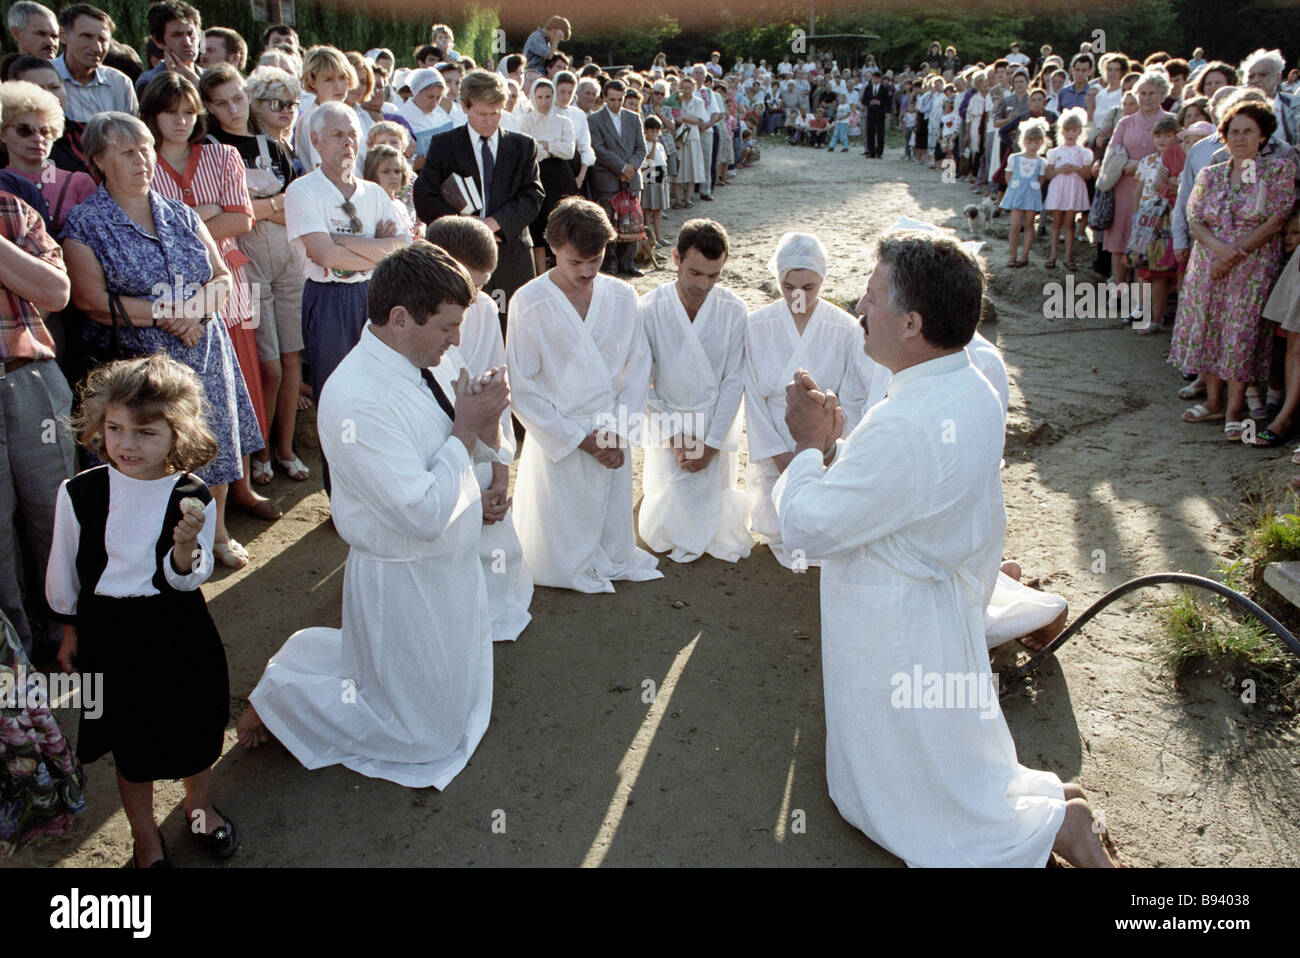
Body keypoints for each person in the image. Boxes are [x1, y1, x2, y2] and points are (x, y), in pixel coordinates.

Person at [774, 231, 1114, 867]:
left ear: (911, 322)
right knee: (947, 749)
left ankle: (1049, 828)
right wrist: (842, 451)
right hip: (936, 607)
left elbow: (807, 528)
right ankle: (1040, 807)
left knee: (922, 797)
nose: (858, 309)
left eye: (871, 298)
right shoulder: (970, 380)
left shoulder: (908, 420)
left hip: (895, 622)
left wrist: (809, 446)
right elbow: (915, 495)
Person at [237, 241, 508, 788]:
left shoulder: (431, 355)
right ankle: (282, 701)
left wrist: (488, 449)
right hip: (402, 576)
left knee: (452, 698)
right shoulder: (357, 399)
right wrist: (466, 428)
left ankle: (317, 672)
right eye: (448, 327)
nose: (458, 340)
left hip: (448, 567)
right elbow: (422, 513)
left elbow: (459, 448)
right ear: (399, 318)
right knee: (423, 735)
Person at [48, 353, 236, 868]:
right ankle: (144, 837)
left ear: (178, 434)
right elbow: (65, 565)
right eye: (115, 428)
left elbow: (189, 578)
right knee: (130, 743)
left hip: (176, 627)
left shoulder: (192, 495)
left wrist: (182, 549)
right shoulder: (79, 493)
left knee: (194, 727)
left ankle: (199, 809)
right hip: (110, 634)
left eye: (145, 432)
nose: (126, 445)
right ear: (98, 426)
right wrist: (69, 628)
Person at [62, 113, 265, 569]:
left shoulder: (180, 213)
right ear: (99, 160)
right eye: (127, 152)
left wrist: (193, 312)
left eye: (146, 149)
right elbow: (93, 300)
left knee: (211, 444)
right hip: (139, 362)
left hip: (204, 347)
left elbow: (220, 278)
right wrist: (172, 314)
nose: (142, 160)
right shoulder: (86, 222)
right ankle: (151, 544)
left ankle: (215, 533)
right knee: (149, 452)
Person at [507, 197, 662, 593]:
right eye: (576, 263)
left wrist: (617, 432)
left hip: (611, 427)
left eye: (596, 260)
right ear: (553, 247)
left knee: (610, 529)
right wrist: (579, 440)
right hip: (560, 432)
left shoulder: (624, 297)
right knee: (561, 538)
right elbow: (522, 386)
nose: (588, 271)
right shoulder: (528, 300)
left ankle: (611, 554)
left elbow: (637, 368)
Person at [284, 101, 407, 494]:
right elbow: (323, 255)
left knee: (381, 389)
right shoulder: (303, 191)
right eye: (337, 134)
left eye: (352, 133)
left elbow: (402, 247)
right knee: (337, 396)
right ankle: (341, 493)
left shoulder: (373, 193)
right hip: (329, 300)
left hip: (375, 296)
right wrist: (373, 245)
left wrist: (342, 240)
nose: (347, 143)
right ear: (316, 140)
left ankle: (378, 484)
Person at [425, 216, 532, 642]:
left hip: (481, 446)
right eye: (465, 284)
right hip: (431, 454)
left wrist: (501, 467)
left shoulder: (484, 310)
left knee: (500, 547)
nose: (471, 298)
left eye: (481, 287)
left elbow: (496, 390)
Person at [744, 233, 874, 569]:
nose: (798, 296)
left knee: (819, 523)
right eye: (789, 287)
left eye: (809, 288)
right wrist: (777, 452)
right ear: (778, 280)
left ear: (823, 280)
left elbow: (854, 396)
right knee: (777, 527)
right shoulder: (756, 325)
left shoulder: (846, 328)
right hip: (775, 436)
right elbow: (753, 398)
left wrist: (829, 449)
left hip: (825, 442)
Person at [1171, 99, 1295, 439]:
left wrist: (1235, 253)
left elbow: (1276, 219)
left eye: (1248, 131)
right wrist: (1218, 250)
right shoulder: (1211, 173)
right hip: (1208, 263)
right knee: (1209, 328)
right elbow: (1194, 218)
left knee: (1240, 335)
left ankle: (1235, 408)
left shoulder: (1276, 172)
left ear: (1263, 136)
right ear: (1223, 136)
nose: (1239, 138)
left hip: (1251, 268)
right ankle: (1213, 402)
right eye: (1233, 131)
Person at [211, 64, 311, 485]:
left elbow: (300, 204)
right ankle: (260, 451)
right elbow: (229, 218)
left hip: (289, 261)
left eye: (239, 98)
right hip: (245, 268)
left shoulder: (275, 148)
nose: (234, 108)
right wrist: (269, 208)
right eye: (224, 101)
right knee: (267, 366)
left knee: (292, 361)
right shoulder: (211, 149)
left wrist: (257, 209)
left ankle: (285, 449)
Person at [638, 219, 750, 564]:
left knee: (712, 507)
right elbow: (641, 381)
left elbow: (735, 380)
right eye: (695, 273)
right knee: (664, 521)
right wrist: (674, 436)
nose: (704, 285)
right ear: (675, 258)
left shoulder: (734, 310)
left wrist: (712, 444)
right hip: (667, 419)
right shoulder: (649, 308)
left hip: (715, 420)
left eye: (714, 276)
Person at [413, 69, 544, 327]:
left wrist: (495, 223)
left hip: (511, 255)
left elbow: (533, 195)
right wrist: (469, 228)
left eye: (496, 113)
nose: (489, 120)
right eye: (482, 113)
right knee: (464, 329)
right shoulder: (444, 145)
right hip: (460, 255)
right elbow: (424, 197)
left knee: (514, 329)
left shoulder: (523, 146)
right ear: (464, 106)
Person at [0, 81, 96, 233]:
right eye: (25, 130)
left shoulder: (79, 183)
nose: (38, 139)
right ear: (2, 133)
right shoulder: (3, 182)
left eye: (45, 131)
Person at [587, 78, 647, 277]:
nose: (616, 103)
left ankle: (628, 262)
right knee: (609, 221)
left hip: (632, 176)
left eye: (620, 99)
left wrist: (631, 166)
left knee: (632, 221)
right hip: (608, 176)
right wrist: (621, 167)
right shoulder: (594, 119)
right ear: (604, 98)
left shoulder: (633, 117)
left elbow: (642, 147)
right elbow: (599, 149)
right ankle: (610, 262)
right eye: (612, 99)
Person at [519, 77, 576, 274]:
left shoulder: (564, 121)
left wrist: (547, 146)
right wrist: (547, 148)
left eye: (548, 96)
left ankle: (564, 271)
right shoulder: (525, 121)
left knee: (562, 223)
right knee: (538, 225)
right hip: (535, 175)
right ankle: (541, 274)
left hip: (560, 177)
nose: (544, 101)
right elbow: (530, 151)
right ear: (533, 97)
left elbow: (569, 151)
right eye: (540, 97)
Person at [53, 4, 137, 123]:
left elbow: (132, 135)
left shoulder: (120, 83)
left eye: (102, 40)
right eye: (87, 36)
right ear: (63, 35)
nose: (97, 48)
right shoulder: (41, 77)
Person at [1043, 107, 1093, 270]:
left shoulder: (1083, 152)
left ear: (1080, 132)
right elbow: (1048, 174)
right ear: (1062, 132)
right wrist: (1059, 170)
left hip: (1073, 189)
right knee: (1056, 223)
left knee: (1069, 224)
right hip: (1059, 189)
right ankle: (1053, 255)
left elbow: (1087, 174)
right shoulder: (1054, 152)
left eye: (1074, 130)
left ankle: (1069, 257)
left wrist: (1075, 169)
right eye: (1067, 130)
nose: (1071, 134)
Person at [1001, 117, 1048, 266]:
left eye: (1037, 142)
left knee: (1029, 225)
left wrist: (1031, 189)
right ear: (1023, 141)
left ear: (1042, 143)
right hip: (1017, 196)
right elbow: (1008, 177)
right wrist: (1017, 188)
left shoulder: (1041, 162)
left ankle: (1024, 255)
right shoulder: (1014, 158)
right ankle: (1012, 255)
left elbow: (1041, 180)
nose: (1033, 146)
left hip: (1031, 196)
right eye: (1030, 142)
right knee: (1015, 226)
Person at [133, 1, 201, 96]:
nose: (187, 42)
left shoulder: (211, 77)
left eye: (191, 34)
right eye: (177, 35)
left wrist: (199, 85)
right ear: (158, 41)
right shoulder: (150, 82)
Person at [862, 69, 891, 157]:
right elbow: (864, 100)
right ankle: (871, 152)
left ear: (880, 79)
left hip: (880, 113)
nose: (875, 80)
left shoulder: (884, 88)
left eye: (877, 78)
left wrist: (879, 102)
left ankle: (879, 152)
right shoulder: (868, 87)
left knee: (880, 133)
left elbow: (888, 101)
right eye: (874, 78)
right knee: (870, 132)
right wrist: (870, 102)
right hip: (871, 113)